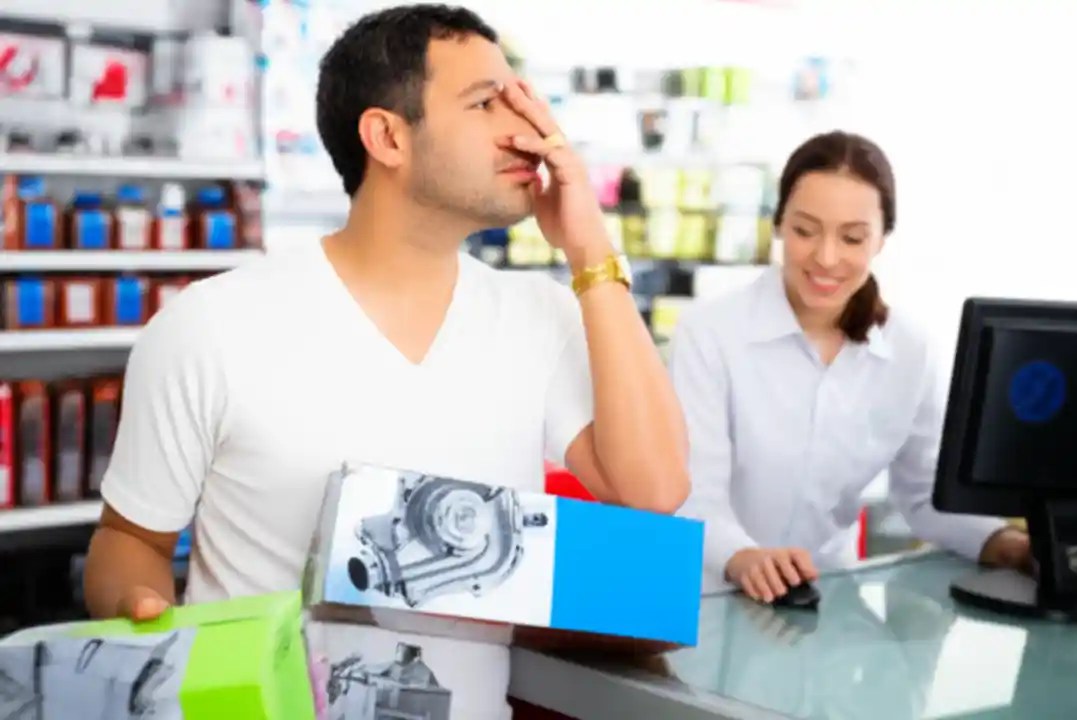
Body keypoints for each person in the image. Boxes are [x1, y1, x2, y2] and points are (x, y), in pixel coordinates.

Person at [82, 4, 689, 718]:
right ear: (387, 137)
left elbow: (654, 490)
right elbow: (130, 538)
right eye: (487, 103)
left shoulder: (540, 317)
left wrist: (591, 249)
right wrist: (139, 607)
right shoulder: (210, 325)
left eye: (523, 101)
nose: (528, 131)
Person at [668, 130, 1031, 603]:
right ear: (778, 225)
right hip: (709, 600)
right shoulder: (709, 334)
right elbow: (692, 495)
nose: (826, 257)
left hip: (828, 607)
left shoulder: (909, 349)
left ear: (881, 240)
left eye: (853, 238)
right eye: (805, 231)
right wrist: (744, 557)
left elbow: (924, 494)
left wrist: (1005, 543)